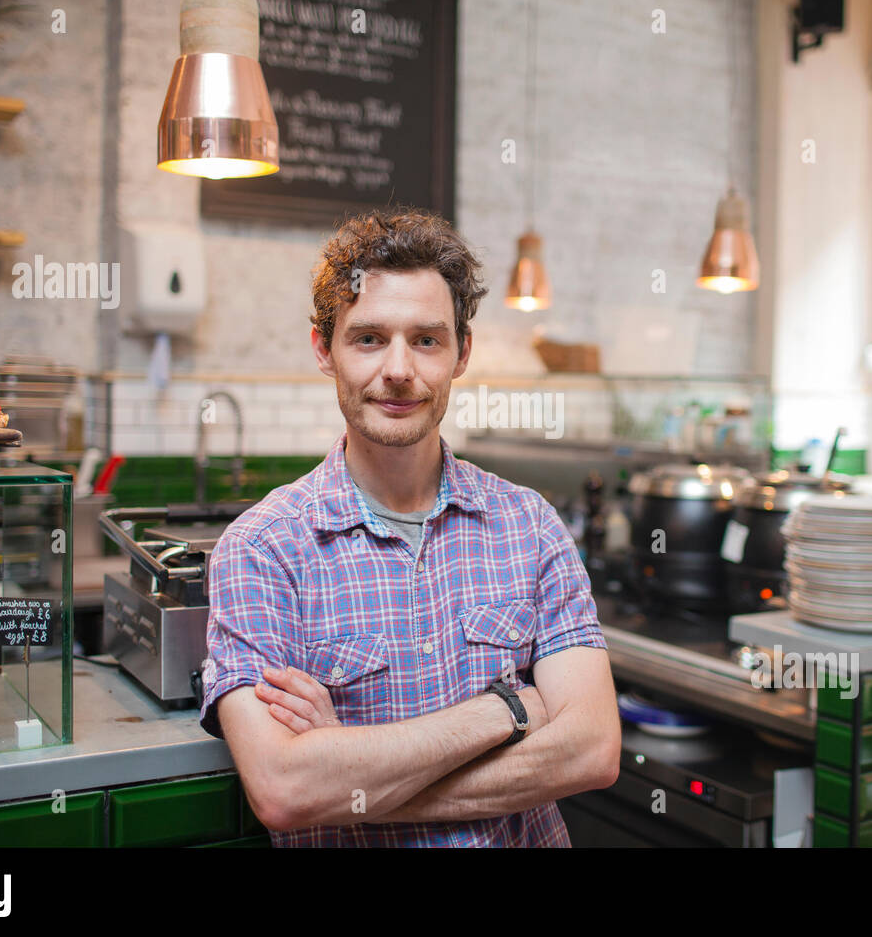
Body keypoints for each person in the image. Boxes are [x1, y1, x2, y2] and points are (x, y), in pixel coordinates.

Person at [200, 207, 621, 847]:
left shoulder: (529, 525)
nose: (399, 370)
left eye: (427, 340)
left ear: (462, 352)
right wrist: (507, 709)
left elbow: (591, 750)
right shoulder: (263, 552)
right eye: (369, 338)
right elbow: (285, 791)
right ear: (324, 348)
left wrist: (351, 781)